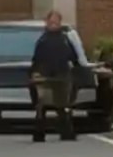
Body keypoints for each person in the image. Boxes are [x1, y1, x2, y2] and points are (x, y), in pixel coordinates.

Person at [30, 10, 80, 143]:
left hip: (62, 77)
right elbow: (36, 60)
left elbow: (74, 57)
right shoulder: (42, 41)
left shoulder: (65, 39)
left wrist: (75, 68)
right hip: (45, 78)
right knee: (42, 106)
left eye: (56, 22)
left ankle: (67, 133)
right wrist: (35, 74)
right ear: (47, 23)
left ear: (60, 23)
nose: (53, 25)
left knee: (63, 106)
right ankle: (39, 134)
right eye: (51, 22)